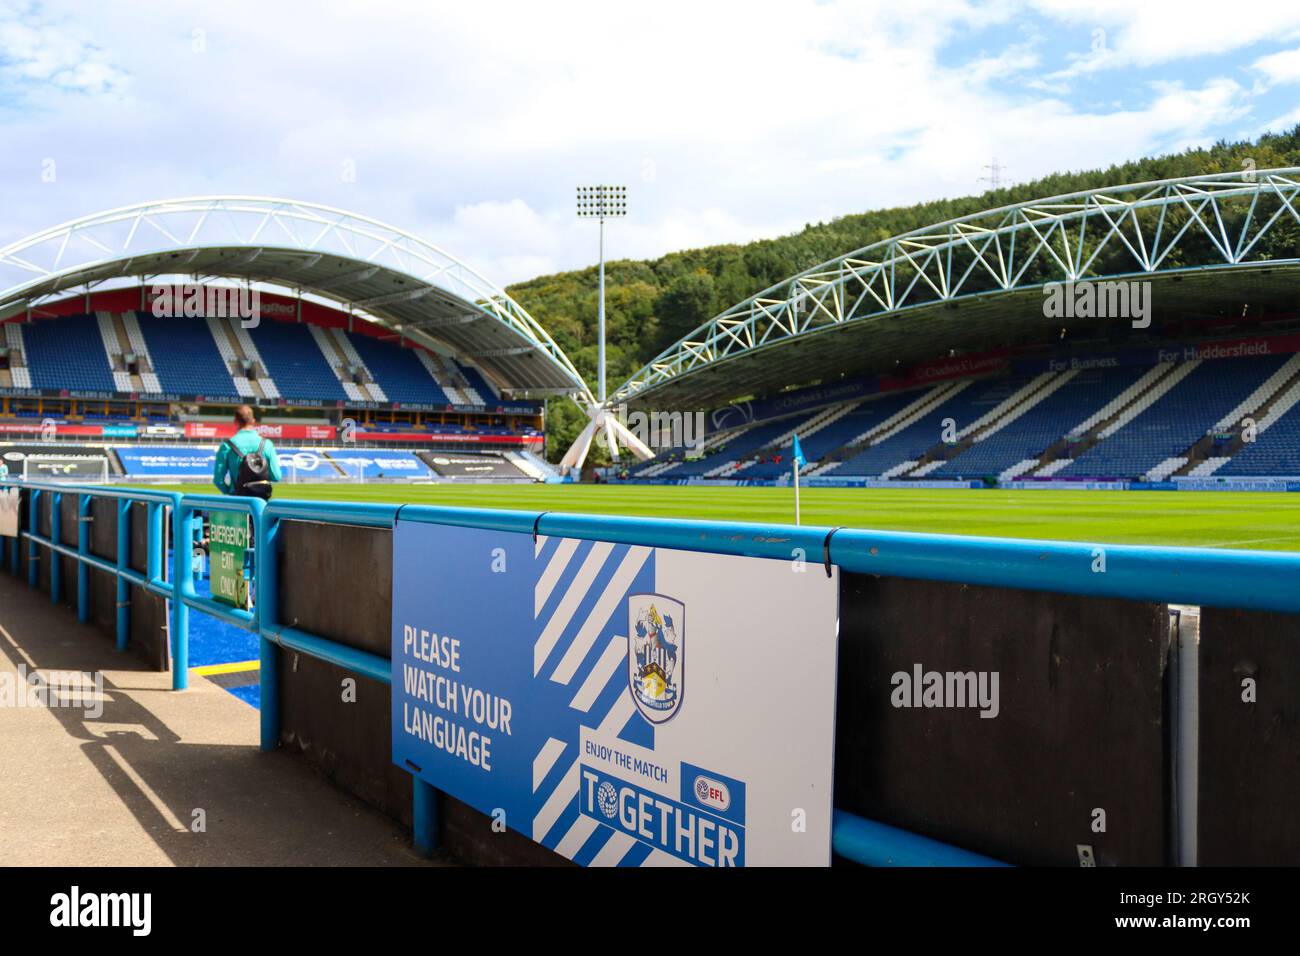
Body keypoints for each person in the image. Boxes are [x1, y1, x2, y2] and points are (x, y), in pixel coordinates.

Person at [213, 405, 282, 498]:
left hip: (238, 500)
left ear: (235, 422)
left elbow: (218, 480)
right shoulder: (267, 444)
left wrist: (231, 492)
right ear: (253, 421)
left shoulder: (227, 446)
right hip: (260, 501)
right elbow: (276, 476)